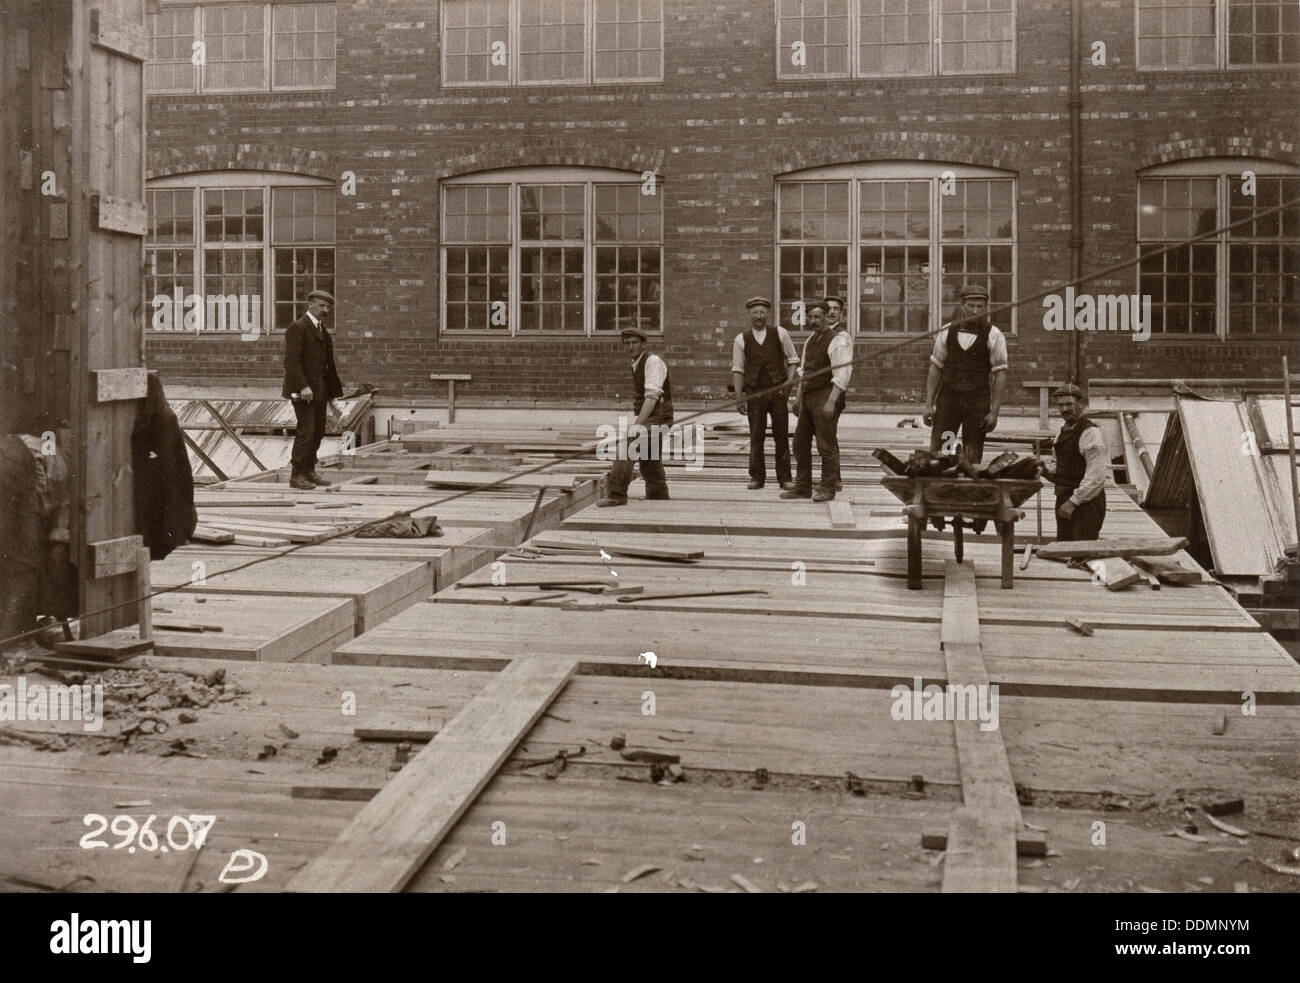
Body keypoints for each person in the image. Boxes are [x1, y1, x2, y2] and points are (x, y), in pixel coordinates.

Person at [922, 282, 1008, 468]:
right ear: (962, 306)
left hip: (977, 403)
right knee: (942, 451)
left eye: (980, 306)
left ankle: (968, 493)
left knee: (972, 454)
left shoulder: (994, 335)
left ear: (986, 308)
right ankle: (939, 490)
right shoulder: (947, 331)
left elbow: (1000, 375)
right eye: (971, 306)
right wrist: (929, 404)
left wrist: (994, 412)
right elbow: (936, 368)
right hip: (949, 401)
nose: (976, 310)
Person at [780, 297, 852, 503]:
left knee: (826, 445)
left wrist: (831, 401)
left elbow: (843, 373)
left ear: (826, 318)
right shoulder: (811, 340)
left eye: (818, 316)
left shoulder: (837, 340)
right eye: (810, 317)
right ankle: (803, 487)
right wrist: (798, 398)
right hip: (809, 397)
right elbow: (804, 373)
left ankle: (828, 488)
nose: (814, 320)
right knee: (800, 443)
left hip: (825, 395)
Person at [599, 325, 674, 507]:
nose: (630, 346)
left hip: (659, 416)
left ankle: (616, 495)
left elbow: (651, 397)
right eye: (627, 343)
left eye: (634, 342)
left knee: (628, 446)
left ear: (643, 344)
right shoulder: (637, 362)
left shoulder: (652, 362)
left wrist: (636, 426)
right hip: (653, 416)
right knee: (649, 454)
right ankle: (658, 493)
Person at [731, 296, 799, 490]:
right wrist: (739, 397)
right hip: (754, 394)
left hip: (777, 393)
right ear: (749, 315)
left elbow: (793, 359)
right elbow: (738, 369)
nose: (759, 316)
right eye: (755, 313)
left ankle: (785, 478)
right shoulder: (741, 339)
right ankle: (757, 477)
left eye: (762, 312)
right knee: (756, 436)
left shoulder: (780, 333)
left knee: (781, 436)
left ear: (768, 314)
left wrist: (787, 385)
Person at [282, 289, 343, 491]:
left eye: (328, 307)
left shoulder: (322, 331)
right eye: (322, 306)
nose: (326, 310)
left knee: (317, 431)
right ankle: (297, 474)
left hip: (320, 391)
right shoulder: (298, 328)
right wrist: (303, 386)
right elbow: (291, 362)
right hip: (304, 392)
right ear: (310, 305)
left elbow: (328, 365)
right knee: (306, 431)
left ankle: (309, 470)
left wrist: (332, 395)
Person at [1037, 384, 1108, 541]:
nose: (1064, 409)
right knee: (1063, 551)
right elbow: (1058, 470)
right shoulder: (1062, 432)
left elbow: (1096, 478)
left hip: (1086, 503)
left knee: (1082, 555)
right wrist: (1044, 471)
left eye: (1069, 404)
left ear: (1080, 404)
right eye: (1060, 405)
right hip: (1063, 499)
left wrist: (1073, 502)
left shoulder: (1090, 432)